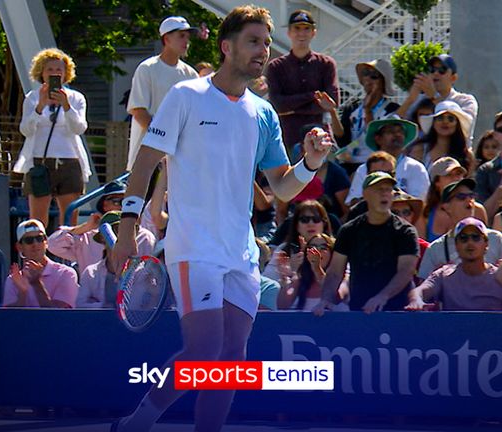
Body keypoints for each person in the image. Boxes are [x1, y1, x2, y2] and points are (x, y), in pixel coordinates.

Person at [109, 6, 333, 431]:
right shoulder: (185, 97)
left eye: (267, 43)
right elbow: (145, 164)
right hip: (193, 247)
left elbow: (282, 187)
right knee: (203, 349)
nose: (263, 50)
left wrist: (310, 162)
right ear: (227, 47)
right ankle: (139, 421)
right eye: (253, 41)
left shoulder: (263, 113)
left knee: (232, 357)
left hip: (241, 251)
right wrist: (127, 228)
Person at [313, 172, 419, 315]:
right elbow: (335, 273)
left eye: (388, 189)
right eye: (379, 189)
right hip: (360, 313)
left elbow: (406, 271)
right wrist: (326, 300)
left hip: (398, 314)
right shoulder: (349, 230)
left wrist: (383, 296)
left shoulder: (405, 231)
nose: (385, 194)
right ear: (365, 194)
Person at [15, 48, 90, 228]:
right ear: (41, 72)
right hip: (40, 163)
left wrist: (66, 106)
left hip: (69, 161)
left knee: (69, 217)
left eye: (59, 70)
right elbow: (25, 129)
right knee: (38, 219)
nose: (55, 73)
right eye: (50, 69)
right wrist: (40, 106)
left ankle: (67, 254)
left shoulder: (76, 98)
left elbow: (79, 128)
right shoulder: (32, 98)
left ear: (66, 73)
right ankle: (38, 253)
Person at [126, 16, 200, 170]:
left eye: (187, 36)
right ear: (166, 39)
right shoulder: (147, 69)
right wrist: (165, 140)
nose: (186, 41)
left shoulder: (191, 74)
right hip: (147, 158)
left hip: (180, 160)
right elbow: (139, 111)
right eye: (181, 36)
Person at [407, 217, 502, 312]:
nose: (470, 243)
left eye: (476, 237)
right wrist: (416, 300)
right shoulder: (444, 275)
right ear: (456, 246)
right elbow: (419, 291)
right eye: (463, 238)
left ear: (486, 244)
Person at [265, 9, 339, 151]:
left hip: (320, 138)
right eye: (297, 28)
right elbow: (277, 104)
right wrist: (311, 96)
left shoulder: (326, 64)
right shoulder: (276, 66)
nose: (301, 33)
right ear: (289, 32)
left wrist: (292, 107)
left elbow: (332, 101)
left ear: (313, 32)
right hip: (287, 138)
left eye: (306, 29)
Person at [47, 180, 155, 275]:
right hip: (95, 296)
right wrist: (85, 227)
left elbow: (148, 272)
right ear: (105, 205)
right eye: (117, 202)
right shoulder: (87, 237)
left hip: (131, 294)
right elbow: (52, 244)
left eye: (127, 202)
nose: (122, 207)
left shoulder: (144, 236)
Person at [418, 179, 502, 279]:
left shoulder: (496, 238)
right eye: (461, 197)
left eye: (471, 195)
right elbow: (422, 284)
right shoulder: (435, 249)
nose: (468, 200)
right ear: (446, 207)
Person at [334, 58, 400, 173]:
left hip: (375, 164)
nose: (368, 78)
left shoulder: (391, 109)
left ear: (383, 81)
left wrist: (368, 110)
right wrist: (331, 111)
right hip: (349, 162)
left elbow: (376, 140)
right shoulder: (352, 107)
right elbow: (342, 139)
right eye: (365, 74)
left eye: (374, 75)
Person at [76, 211, 155, 308]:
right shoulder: (90, 273)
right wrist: (104, 307)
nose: (122, 236)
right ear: (102, 237)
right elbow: (80, 305)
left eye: (127, 232)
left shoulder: (145, 273)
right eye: (117, 230)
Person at [344, 117, 429, 203]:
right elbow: (354, 201)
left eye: (401, 131)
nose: (397, 134)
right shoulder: (363, 169)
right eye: (391, 131)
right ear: (378, 139)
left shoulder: (415, 168)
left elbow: (420, 202)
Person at [398, 54, 478, 141]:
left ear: (453, 78)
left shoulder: (465, 101)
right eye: (432, 70)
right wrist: (410, 100)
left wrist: (434, 96)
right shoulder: (420, 100)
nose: (436, 73)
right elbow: (395, 124)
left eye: (442, 70)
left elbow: (465, 129)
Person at [2, 219, 78, 308]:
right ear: (19, 247)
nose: (35, 244)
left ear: (46, 241)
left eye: (39, 239)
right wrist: (22, 293)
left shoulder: (66, 273)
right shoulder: (13, 279)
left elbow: (58, 316)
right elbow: (10, 318)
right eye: (29, 240)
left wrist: (37, 284)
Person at [416, 157, 488, 243]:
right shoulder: (425, 213)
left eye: (458, 174)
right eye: (449, 175)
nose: (455, 179)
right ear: (437, 182)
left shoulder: (477, 210)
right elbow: (422, 248)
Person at [263, 200, 333, 283]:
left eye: (316, 219)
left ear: (324, 223)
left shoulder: (335, 247)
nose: (311, 223)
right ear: (296, 225)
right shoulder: (284, 250)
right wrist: (290, 272)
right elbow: (268, 282)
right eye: (304, 220)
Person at [275, 233, 349, 311]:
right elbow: (282, 306)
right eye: (312, 247)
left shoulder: (344, 278)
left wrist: (317, 268)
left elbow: (335, 296)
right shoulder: (300, 279)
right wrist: (285, 278)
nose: (317, 251)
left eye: (323, 247)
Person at [408, 100, 476, 173]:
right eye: (440, 118)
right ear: (433, 123)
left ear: (457, 124)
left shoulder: (467, 155)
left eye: (451, 119)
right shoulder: (420, 150)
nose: (445, 122)